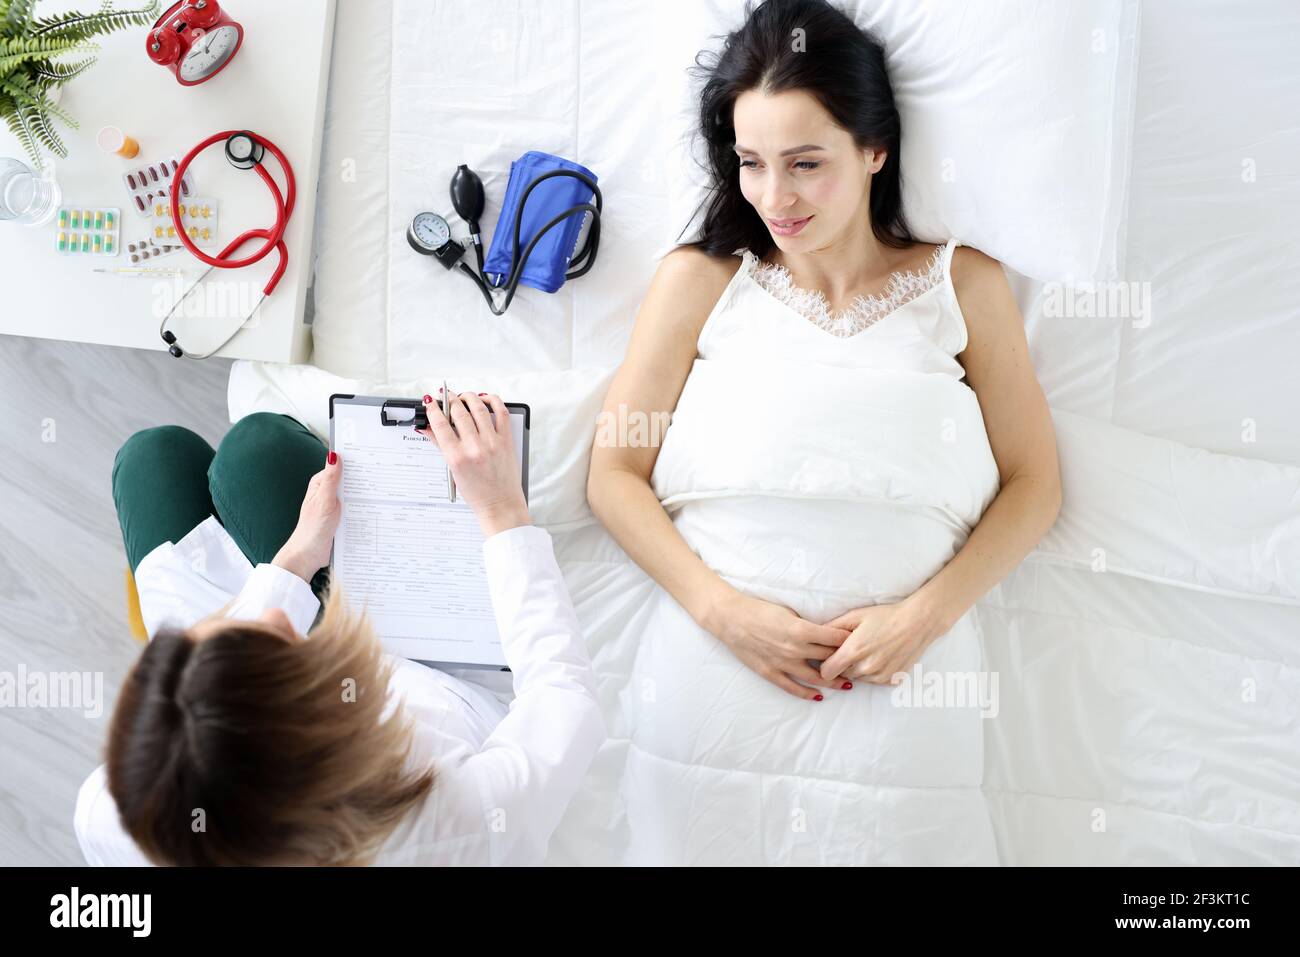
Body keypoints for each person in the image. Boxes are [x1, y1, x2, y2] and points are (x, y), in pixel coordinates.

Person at [587, 0, 1062, 698]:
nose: (774, 198)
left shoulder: (966, 284)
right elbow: (613, 474)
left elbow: (1035, 484)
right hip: (715, 673)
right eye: (751, 162)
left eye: (805, 163)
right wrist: (726, 614)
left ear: (875, 150)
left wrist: (923, 618)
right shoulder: (697, 281)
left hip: (908, 679)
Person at [75, 392, 604, 866]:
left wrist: (296, 559)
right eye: (286, 646)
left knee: (153, 454)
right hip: (420, 676)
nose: (280, 614)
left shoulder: (113, 812)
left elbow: (242, 659)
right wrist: (500, 507)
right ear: (338, 729)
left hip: (254, 716)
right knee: (257, 450)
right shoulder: (458, 826)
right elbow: (564, 692)